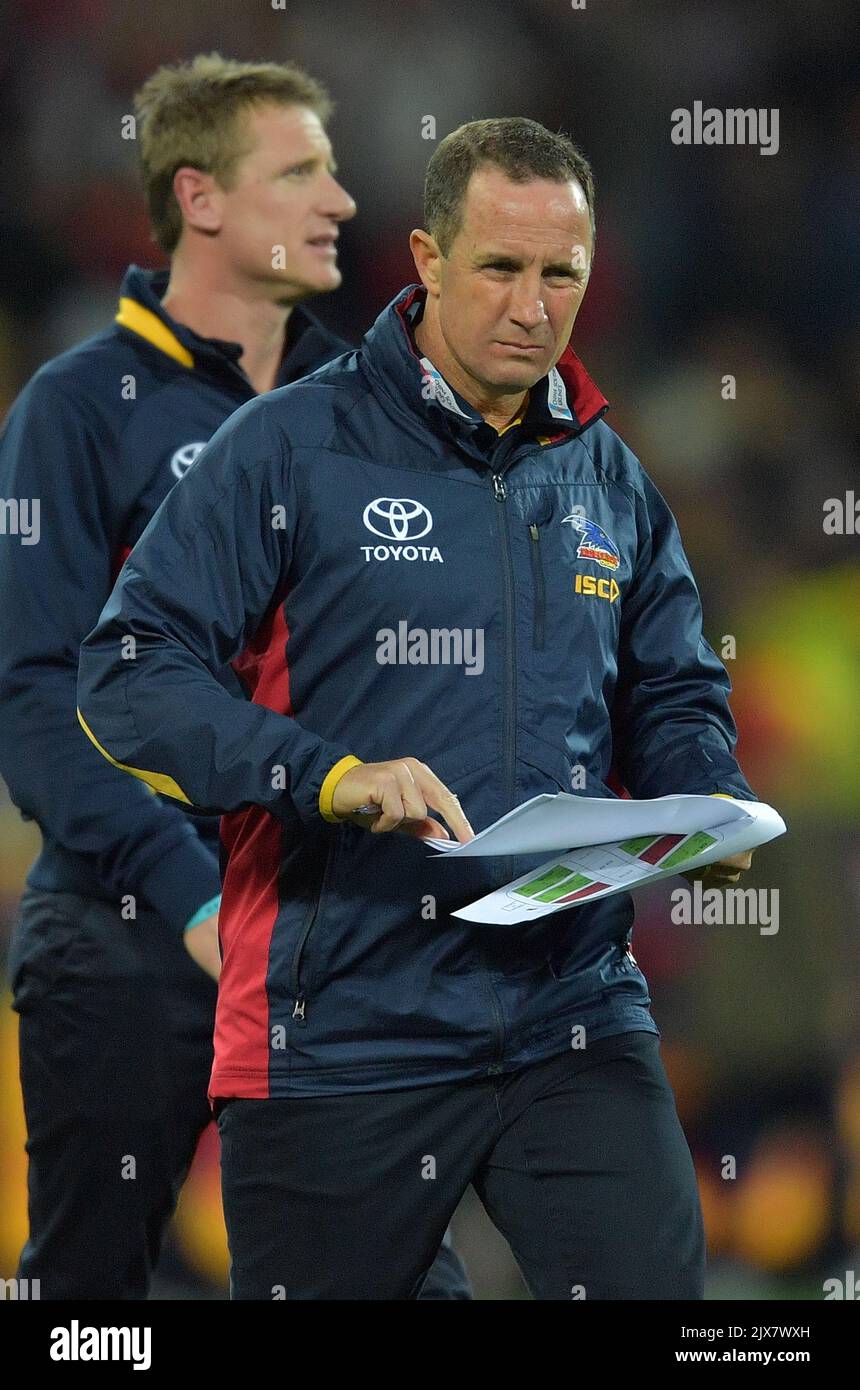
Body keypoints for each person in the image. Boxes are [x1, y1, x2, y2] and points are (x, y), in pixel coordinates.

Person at [78, 117, 758, 1301]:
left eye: (562, 274)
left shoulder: (606, 477)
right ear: (426, 260)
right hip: (339, 1024)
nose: (532, 306)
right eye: (499, 267)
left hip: (569, 1006)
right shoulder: (287, 450)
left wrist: (706, 802)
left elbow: (676, 688)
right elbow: (129, 672)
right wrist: (328, 777)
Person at [0, 52, 468, 1300]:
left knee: (404, 1284)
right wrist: (189, 891)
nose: (340, 201)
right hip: (129, 930)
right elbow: (37, 707)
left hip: (325, 934)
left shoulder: (364, 406)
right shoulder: (74, 410)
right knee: (91, 1303)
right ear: (199, 198)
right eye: (300, 171)